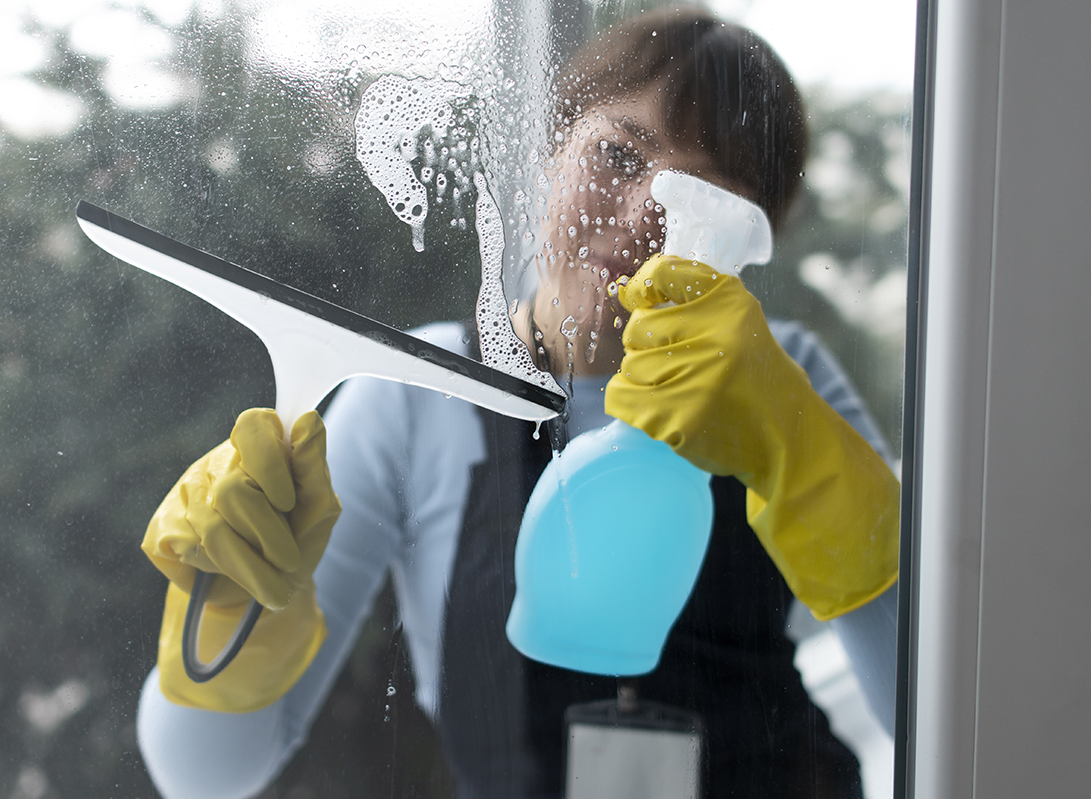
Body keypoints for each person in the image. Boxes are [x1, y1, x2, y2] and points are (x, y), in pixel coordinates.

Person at [135, 8, 900, 799]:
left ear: (754, 248)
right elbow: (209, 777)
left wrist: (812, 461)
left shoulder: (791, 380)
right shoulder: (413, 394)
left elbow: (939, 716)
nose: (644, 218)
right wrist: (231, 606)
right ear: (547, 150)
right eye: (617, 155)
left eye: (704, 201)